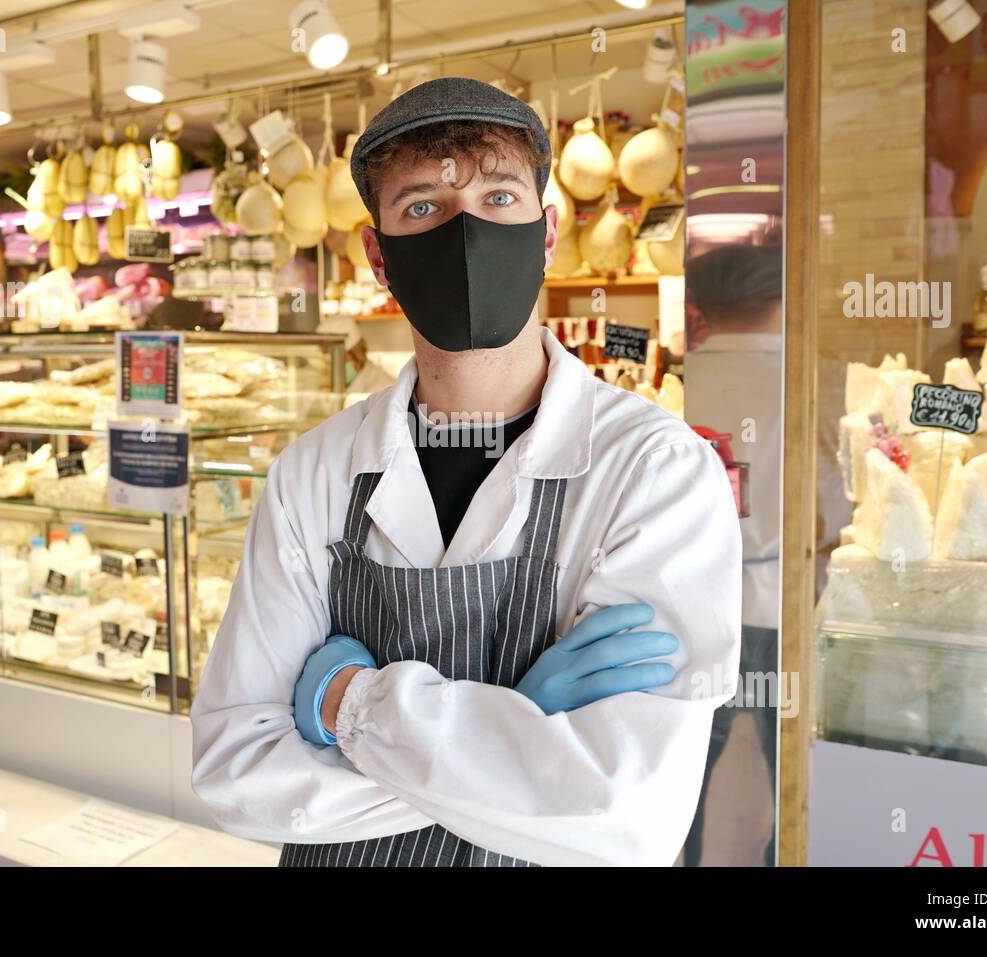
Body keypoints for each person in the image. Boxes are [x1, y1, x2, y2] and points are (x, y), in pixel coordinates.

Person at [191, 78, 741, 867]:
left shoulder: (655, 473)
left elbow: (625, 813)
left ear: (547, 233)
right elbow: (236, 771)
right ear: (378, 255)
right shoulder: (310, 476)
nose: (465, 232)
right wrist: (515, 726)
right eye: (423, 207)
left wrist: (347, 705)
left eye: (498, 197)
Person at [679, 243, 782, 866]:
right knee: (784, 759)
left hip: (692, 600)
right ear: (779, 300)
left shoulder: (686, 377)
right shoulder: (805, 379)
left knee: (689, 758)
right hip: (775, 603)